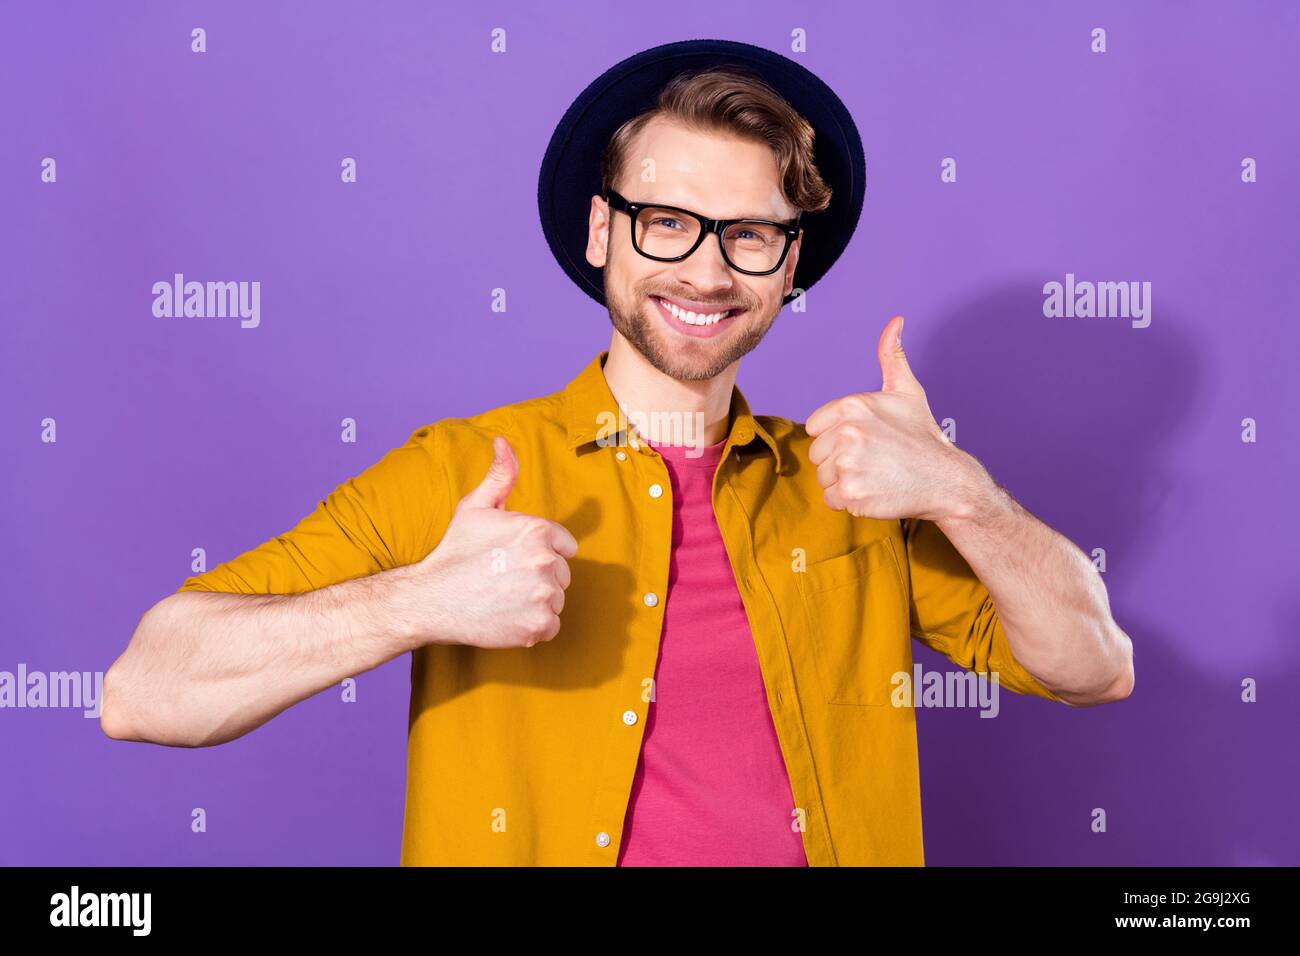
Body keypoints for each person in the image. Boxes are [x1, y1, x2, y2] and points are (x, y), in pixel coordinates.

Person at [102, 39, 1133, 866]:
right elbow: (143, 691)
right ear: (602, 231)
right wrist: (413, 602)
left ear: (787, 265)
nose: (707, 268)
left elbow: (1094, 666)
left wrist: (962, 492)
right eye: (667, 222)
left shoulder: (859, 487)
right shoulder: (461, 471)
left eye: (749, 235)